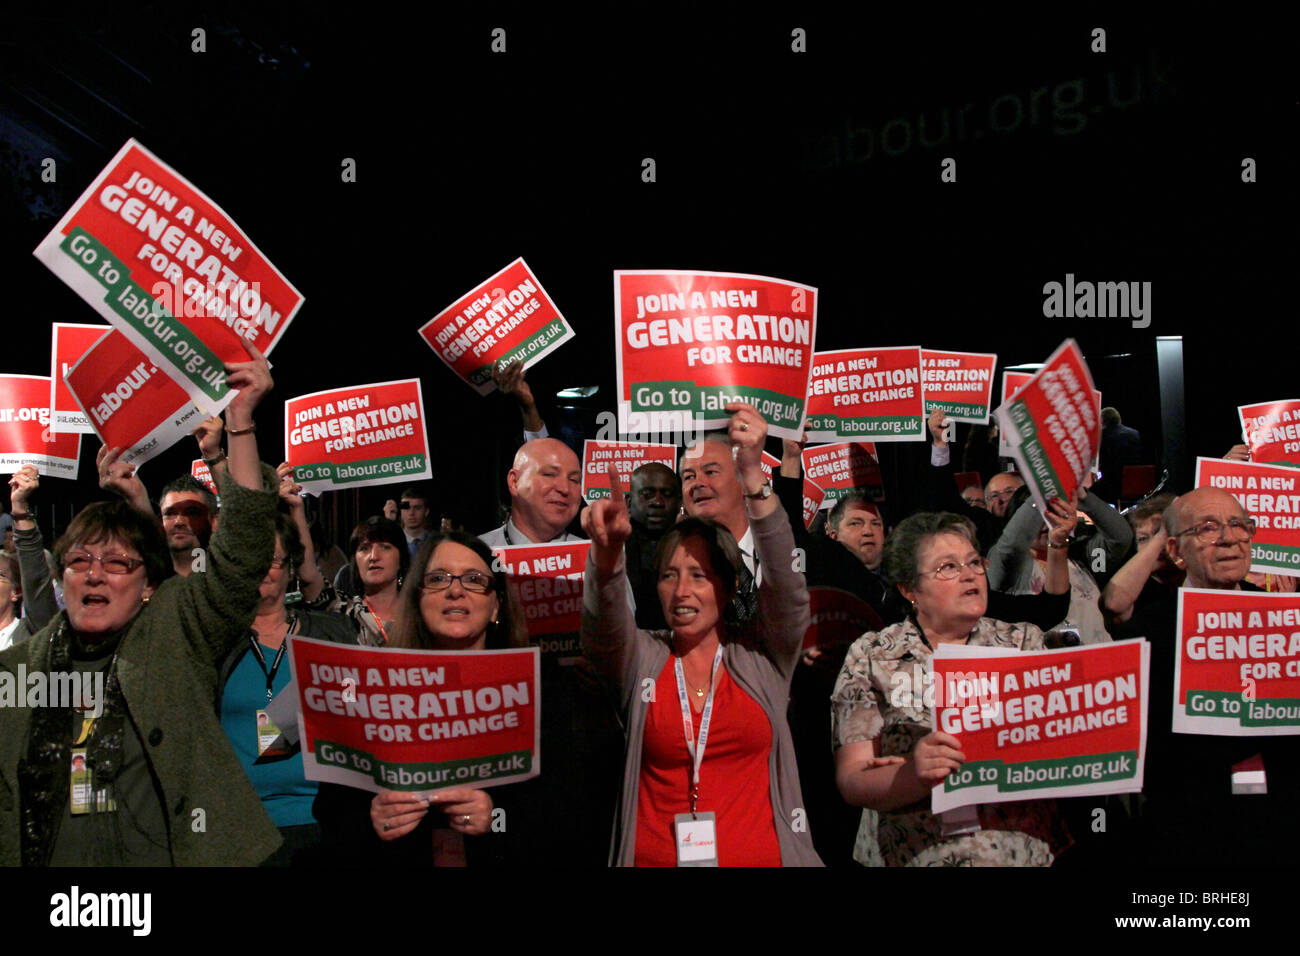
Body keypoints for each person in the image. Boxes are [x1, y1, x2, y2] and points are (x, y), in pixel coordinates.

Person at [0, 338, 283, 866]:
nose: (95, 575)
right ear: (61, 576)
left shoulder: (173, 635)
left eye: (117, 563)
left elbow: (243, 550)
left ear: (147, 583)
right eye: (80, 562)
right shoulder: (15, 672)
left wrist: (239, 422)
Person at [581, 402, 821, 866]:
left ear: (728, 587)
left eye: (699, 575)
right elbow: (603, 625)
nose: (682, 590)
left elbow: (788, 591)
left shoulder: (761, 659)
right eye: (669, 575)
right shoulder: (643, 662)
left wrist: (754, 476)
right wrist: (607, 555)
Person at [831, 512, 1072, 867]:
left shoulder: (1023, 642)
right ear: (910, 589)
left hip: (1019, 854)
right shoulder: (872, 655)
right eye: (948, 567)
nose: (970, 573)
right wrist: (915, 774)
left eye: (974, 562)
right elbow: (852, 778)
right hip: (912, 854)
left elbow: (1062, 751)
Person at [315, 530, 529, 866]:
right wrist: (372, 821)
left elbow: (567, 812)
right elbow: (332, 814)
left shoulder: (537, 690)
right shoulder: (372, 693)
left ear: (496, 605)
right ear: (416, 598)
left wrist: (497, 818)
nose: (455, 590)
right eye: (438, 579)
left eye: (474, 579)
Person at [1113, 486, 1293, 866]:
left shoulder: (1286, 621)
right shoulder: (1149, 631)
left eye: (1239, 526)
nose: (1228, 539)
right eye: (1208, 528)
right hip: (1194, 831)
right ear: (1176, 552)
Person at [217, 511, 356, 865]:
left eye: (274, 558)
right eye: (252, 556)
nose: (263, 566)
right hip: (239, 829)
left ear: (291, 568)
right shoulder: (214, 641)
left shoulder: (332, 635)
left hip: (323, 824)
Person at [986, 480, 1133, 645]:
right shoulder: (1009, 564)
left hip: (1099, 659)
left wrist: (1082, 496)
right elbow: (1011, 544)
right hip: (1050, 666)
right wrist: (1044, 488)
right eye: (1038, 516)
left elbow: (1121, 538)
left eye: (1052, 513)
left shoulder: (1082, 555)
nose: (1045, 523)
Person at [316, 517, 409, 646]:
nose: (373, 557)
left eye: (385, 547)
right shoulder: (345, 611)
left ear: (401, 559)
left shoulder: (420, 613)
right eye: (365, 548)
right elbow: (309, 579)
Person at [480, 438, 583, 547]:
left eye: (574, 479)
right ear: (514, 482)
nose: (564, 488)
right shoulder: (476, 555)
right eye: (549, 474)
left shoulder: (596, 559)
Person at [0, 465, 58, 650]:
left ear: (15, 592)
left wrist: (20, 507)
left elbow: (36, 579)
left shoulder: (33, 634)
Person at [623, 462, 683, 630]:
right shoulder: (609, 553)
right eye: (647, 494)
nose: (657, 502)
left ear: (680, 503)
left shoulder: (695, 551)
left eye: (667, 494)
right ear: (628, 502)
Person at [1094, 406, 1142, 504]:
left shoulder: (1103, 435)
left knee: (1088, 494)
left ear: (1103, 421)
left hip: (1113, 485)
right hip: (1136, 483)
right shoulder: (1135, 433)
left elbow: (1101, 462)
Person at [398, 486, 434, 559]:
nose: (411, 513)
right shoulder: (392, 541)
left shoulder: (436, 541)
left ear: (426, 511)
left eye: (417, 508)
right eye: (406, 508)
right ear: (401, 511)